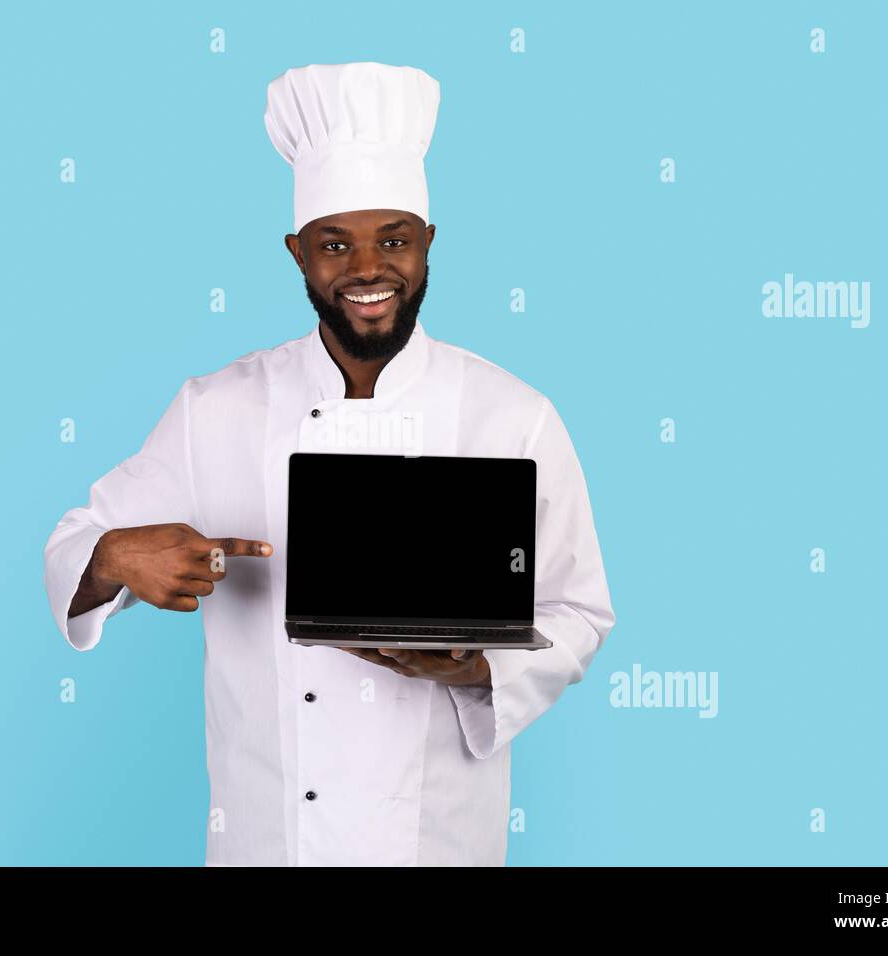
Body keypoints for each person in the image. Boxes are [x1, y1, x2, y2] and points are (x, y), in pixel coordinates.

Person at [43, 61, 615, 866]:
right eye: (335, 243)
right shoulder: (218, 409)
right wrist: (113, 557)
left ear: (428, 245)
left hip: (438, 844)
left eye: (394, 239)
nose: (368, 269)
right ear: (297, 252)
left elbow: (579, 612)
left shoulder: (514, 417)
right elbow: (78, 541)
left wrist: (476, 666)